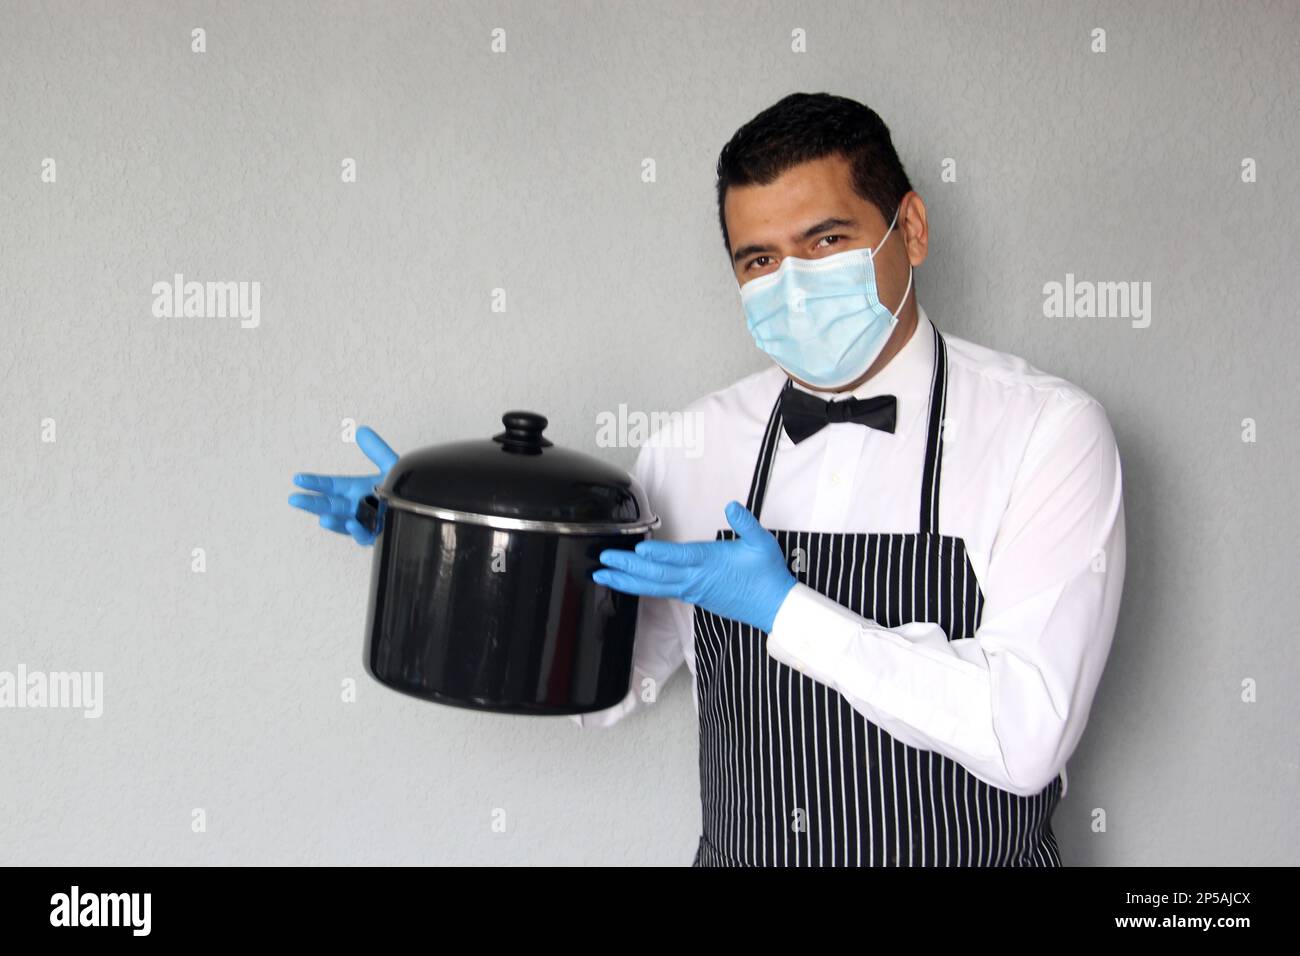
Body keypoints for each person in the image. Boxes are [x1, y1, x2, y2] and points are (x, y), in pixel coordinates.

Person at [289, 92, 1126, 868]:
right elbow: (603, 684)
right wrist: (455, 555)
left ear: (909, 229)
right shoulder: (692, 444)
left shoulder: (1046, 432)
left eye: (826, 240)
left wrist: (785, 610)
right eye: (759, 258)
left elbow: (1027, 736)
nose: (791, 282)